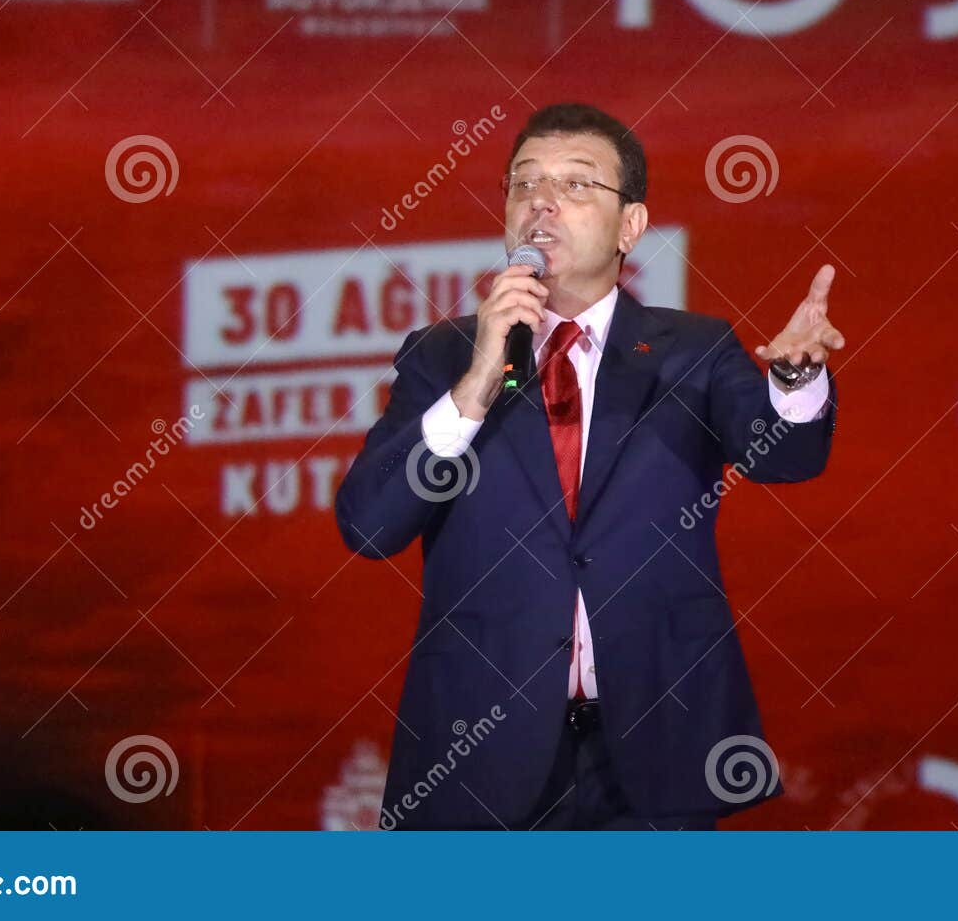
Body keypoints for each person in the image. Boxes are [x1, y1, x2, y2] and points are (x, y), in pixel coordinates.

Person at [335, 103, 843, 829]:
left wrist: (793, 380)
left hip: (652, 741)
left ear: (630, 226)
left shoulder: (689, 350)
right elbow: (370, 526)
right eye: (524, 185)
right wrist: (476, 386)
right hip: (478, 747)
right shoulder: (443, 355)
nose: (542, 203)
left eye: (576, 186)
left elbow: (785, 456)